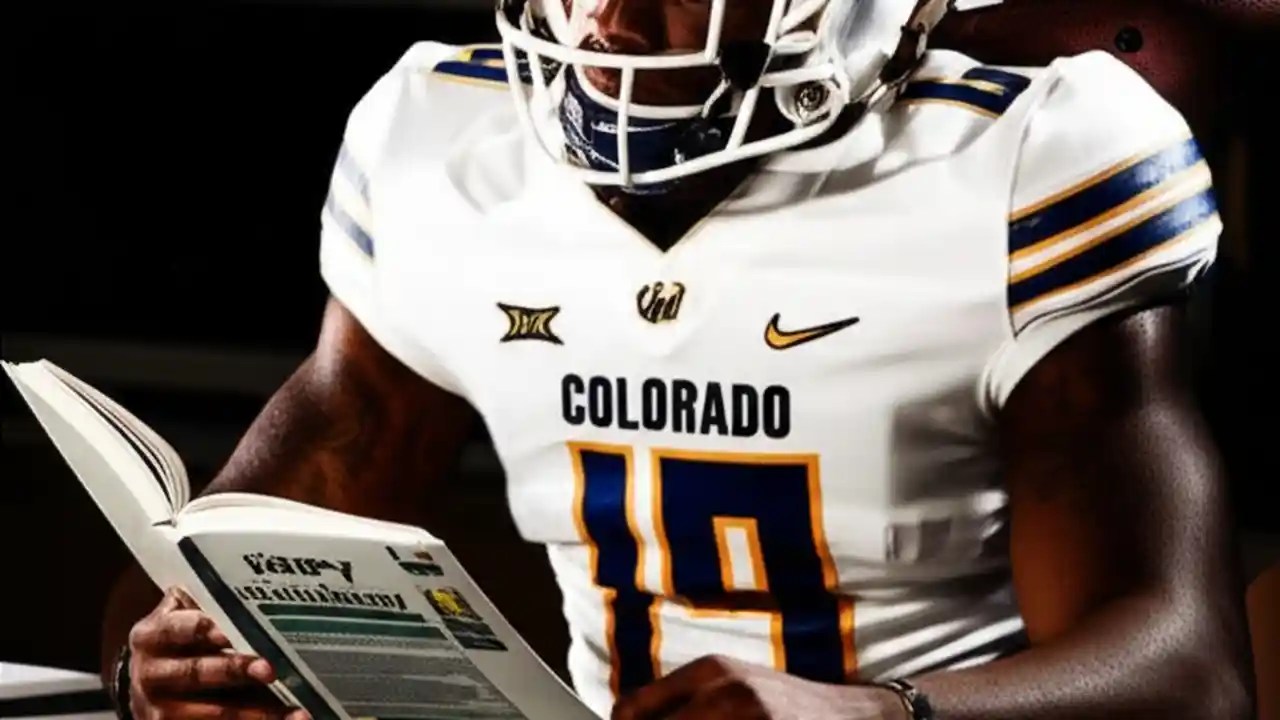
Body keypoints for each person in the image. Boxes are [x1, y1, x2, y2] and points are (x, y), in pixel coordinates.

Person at [99, 0, 1258, 718]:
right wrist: (162, 672)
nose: (601, 21)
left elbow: (1184, 676)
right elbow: (234, 558)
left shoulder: (1022, 156)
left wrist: (864, 718)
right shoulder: (444, 139)